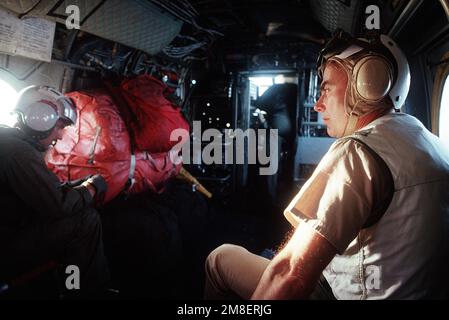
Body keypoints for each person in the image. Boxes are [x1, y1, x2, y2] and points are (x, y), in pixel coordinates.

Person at [204, 30, 449, 300]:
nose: (319, 105)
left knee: (220, 259)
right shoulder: (432, 143)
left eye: (326, 89)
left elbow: (290, 275)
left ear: (367, 85)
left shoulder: (359, 151)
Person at [0, 85, 110, 297]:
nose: (60, 135)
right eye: (59, 126)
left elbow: (44, 192)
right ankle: (82, 291)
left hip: (10, 229)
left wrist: (77, 187)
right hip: (5, 246)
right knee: (85, 221)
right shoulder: (18, 153)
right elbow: (57, 205)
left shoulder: (10, 142)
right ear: (39, 117)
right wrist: (93, 187)